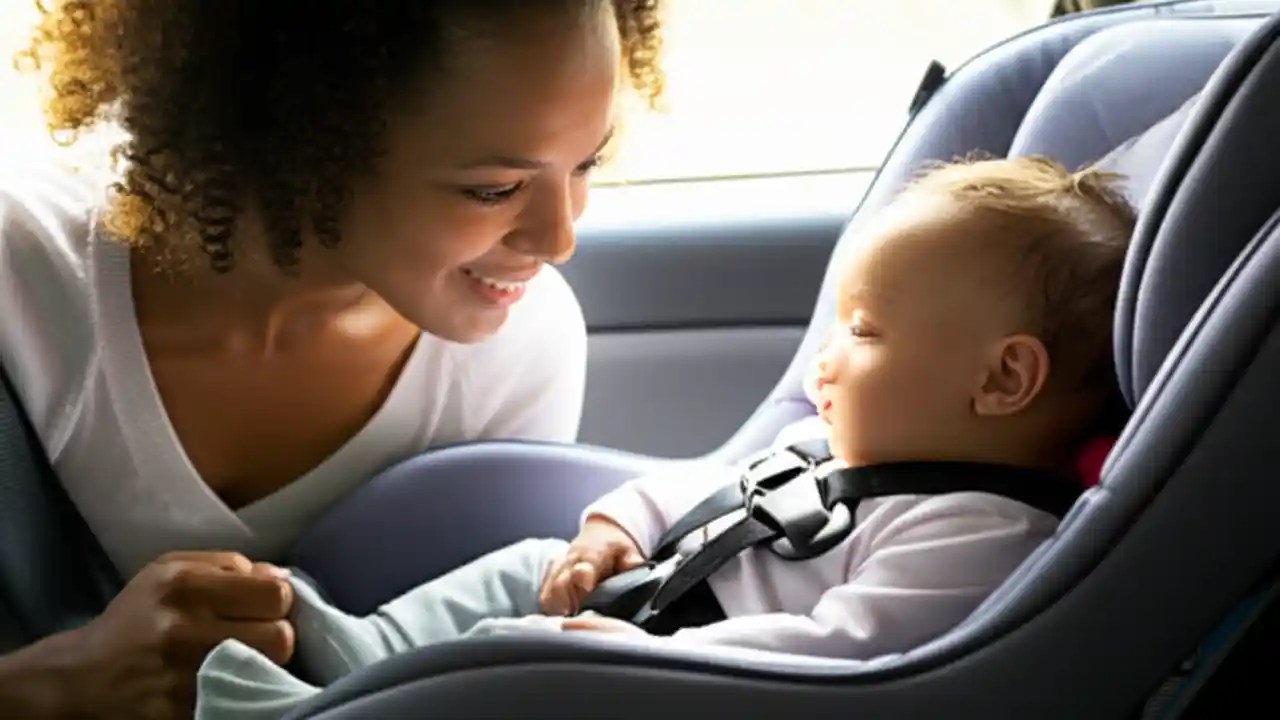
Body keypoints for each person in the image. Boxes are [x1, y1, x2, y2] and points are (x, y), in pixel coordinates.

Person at [191, 154, 1137, 719]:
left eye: (864, 332)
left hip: (681, 683)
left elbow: (845, 654)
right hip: (647, 610)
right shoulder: (845, 456)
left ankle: (322, 710)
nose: (826, 358)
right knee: (528, 565)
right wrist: (617, 530)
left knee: (517, 661)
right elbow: (710, 489)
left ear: (1002, 379)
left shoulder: (979, 532)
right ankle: (364, 649)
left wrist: (651, 659)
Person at [0, 1, 664, 717]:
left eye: (586, 164)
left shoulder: (518, 353)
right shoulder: (20, 289)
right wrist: (57, 683)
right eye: (494, 190)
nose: (559, 238)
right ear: (306, 132)